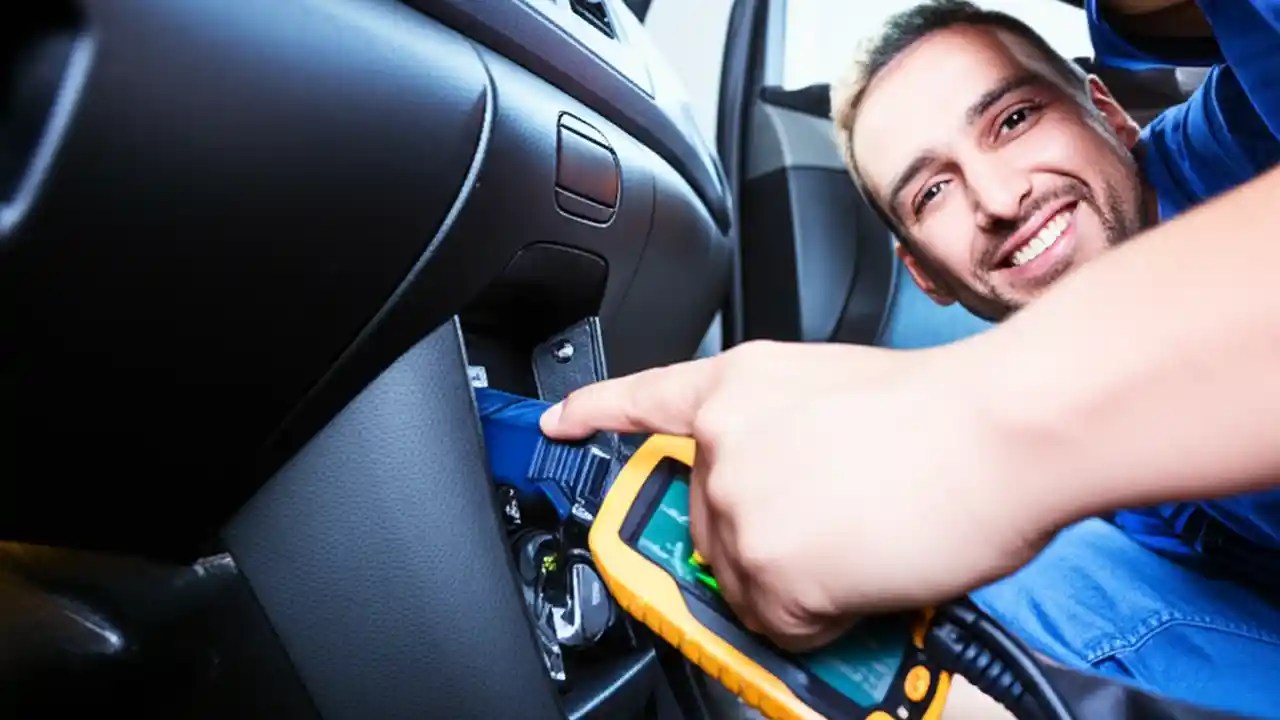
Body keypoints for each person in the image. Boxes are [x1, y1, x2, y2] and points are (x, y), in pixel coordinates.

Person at [541, 1, 1280, 716]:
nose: (998, 197)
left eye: (1015, 120)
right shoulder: (1119, 517)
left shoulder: (1249, 123)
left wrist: (972, 423)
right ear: (925, 272)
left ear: (1109, 111)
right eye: (933, 192)